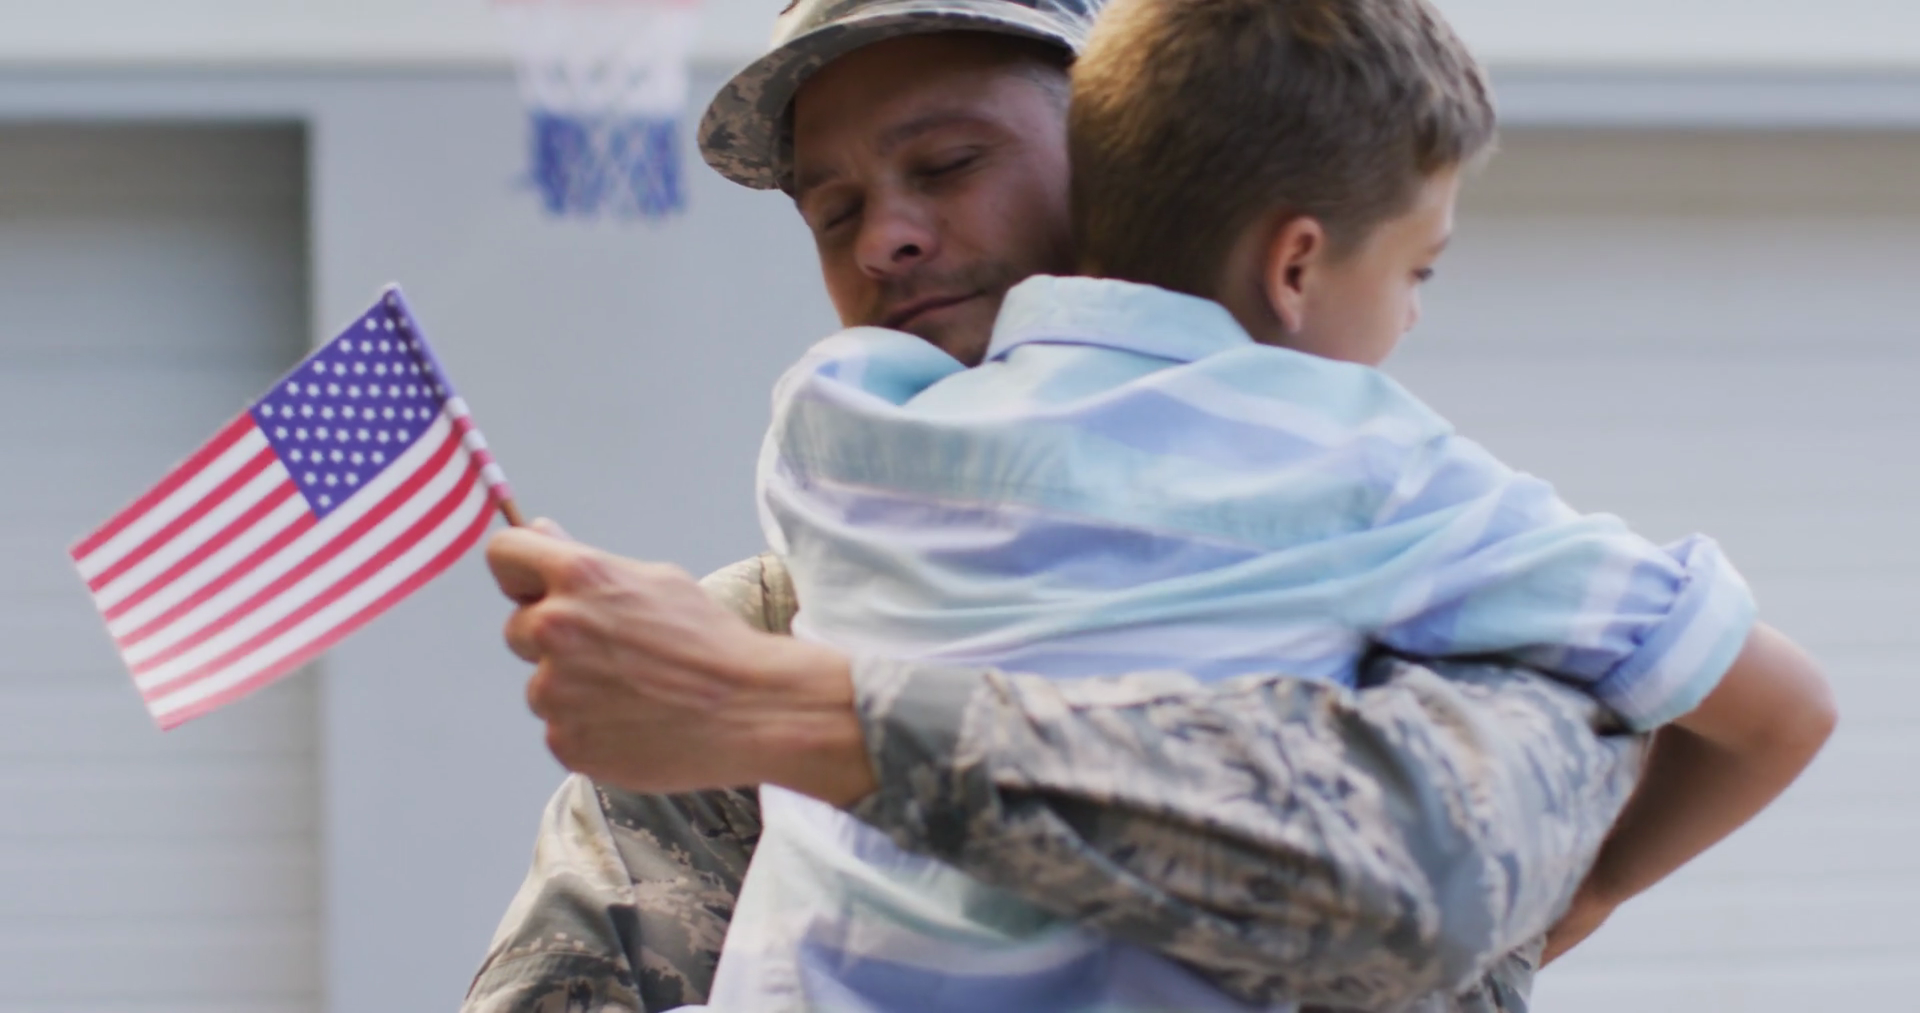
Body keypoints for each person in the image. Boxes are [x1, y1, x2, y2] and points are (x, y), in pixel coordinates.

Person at [462, 0, 1833, 1010]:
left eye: (949, 165)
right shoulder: (750, 619)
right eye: (832, 210)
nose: (886, 235)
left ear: (1126, 148)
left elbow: (1410, 883)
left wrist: (816, 717)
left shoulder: (1429, 576)